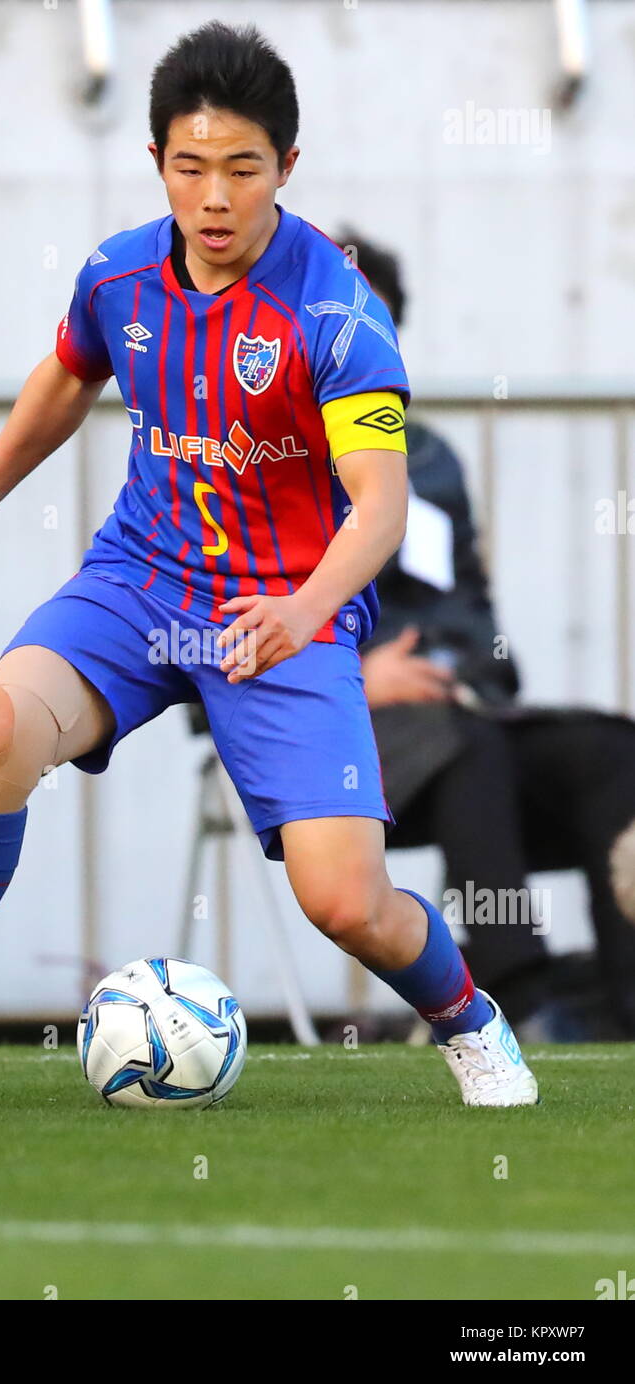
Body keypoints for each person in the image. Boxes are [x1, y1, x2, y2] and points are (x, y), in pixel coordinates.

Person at [0, 21, 537, 1108]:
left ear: (286, 168)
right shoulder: (118, 275)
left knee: (346, 904)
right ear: (157, 165)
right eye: (190, 167)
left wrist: (302, 610)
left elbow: (379, 506)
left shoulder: (336, 314)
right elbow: (66, 374)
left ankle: (470, 1019)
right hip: (140, 583)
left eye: (241, 168)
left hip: (287, 604)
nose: (214, 196)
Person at [337, 231, 635, 1039]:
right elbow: (217, 642)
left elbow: (477, 614)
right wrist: (356, 679)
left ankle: (622, 1005)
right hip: (331, 732)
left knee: (611, 749)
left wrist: (465, 672)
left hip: (460, 714)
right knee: (469, 748)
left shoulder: (429, 462)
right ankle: (516, 1001)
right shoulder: (252, 456)